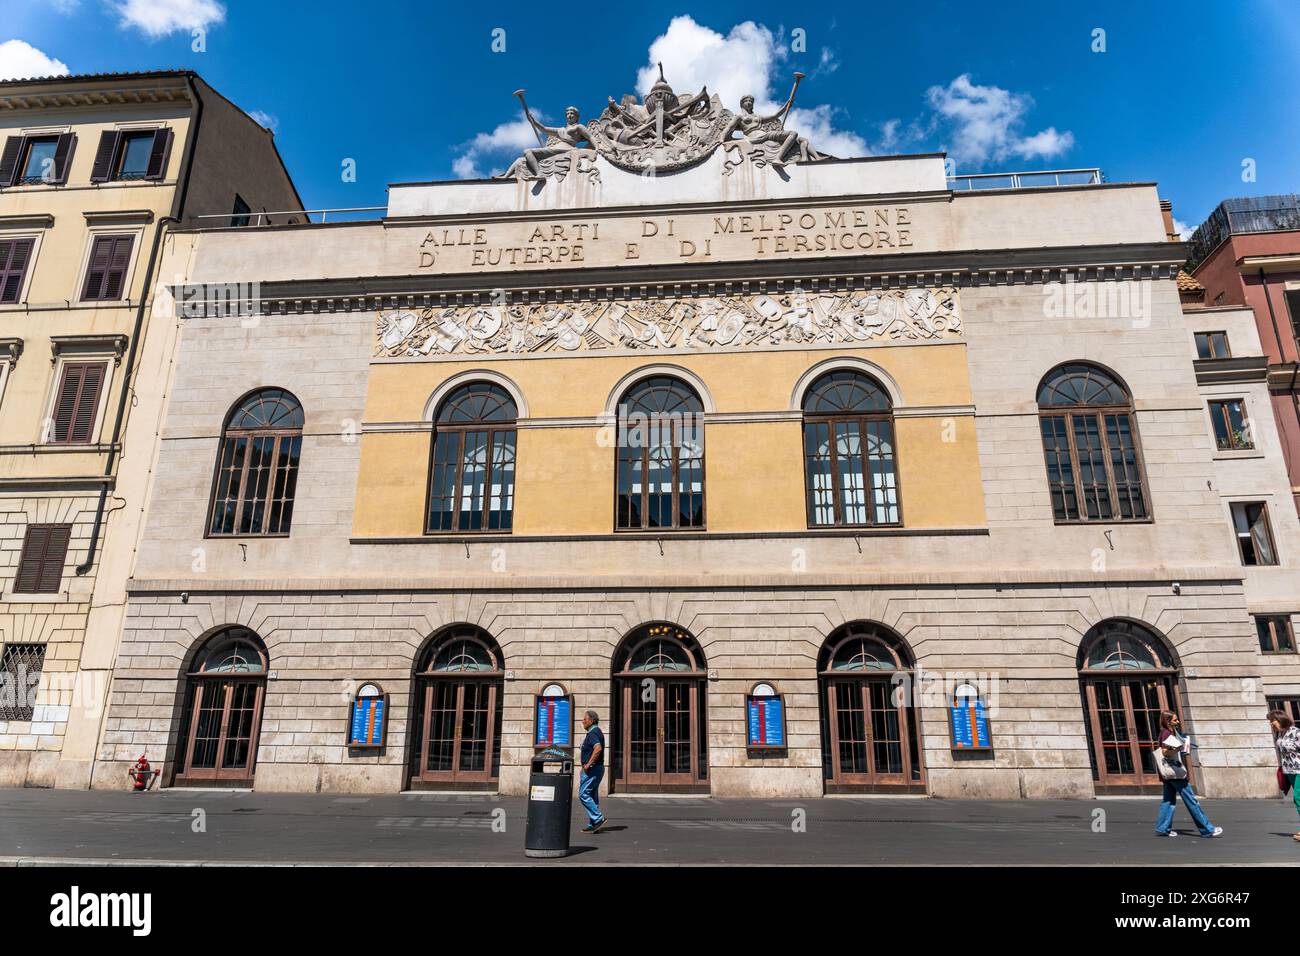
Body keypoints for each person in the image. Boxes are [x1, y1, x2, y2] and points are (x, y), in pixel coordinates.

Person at [1154, 711, 1223, 838]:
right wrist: (1178, 748)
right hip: (1175, 772)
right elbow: (1164, 752)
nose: (1178, 722)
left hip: (1170, 773)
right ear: (1168, 721)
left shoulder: (1172, 733)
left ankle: (1163, 828)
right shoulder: (1166, 733)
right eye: (1175, 720)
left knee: (1168, 800)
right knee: (1191, 800)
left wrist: (1184, 748)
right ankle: (1207, 829)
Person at [1268, 709, 1300, 840]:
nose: (1271, 724)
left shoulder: (1296, 732)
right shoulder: (1280, 734)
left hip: (1299, 770)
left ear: (1280, 719)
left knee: (1298, 797)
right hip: (1289, 771)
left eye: (1272, 721)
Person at [578, 709, 607, 833]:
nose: (582, 721)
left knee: (583, 794)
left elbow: (598, 748)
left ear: (592, 720)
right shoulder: (594, 732)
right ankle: (593, 823)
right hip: (595, 769)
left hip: (593, 769)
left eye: (585, 719)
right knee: (592, 795)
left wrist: (588, 764)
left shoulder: (593, 733)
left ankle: (598, 818)